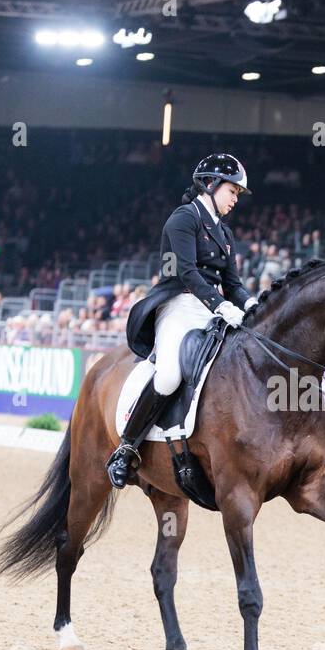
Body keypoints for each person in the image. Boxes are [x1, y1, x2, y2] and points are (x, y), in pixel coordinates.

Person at [105, 153, 257, 489]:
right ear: (210, 184)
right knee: (171, 372)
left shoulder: (226, 234)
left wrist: (251, 303)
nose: (235, 199)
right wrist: (221, 305)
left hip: (212, 309)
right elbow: (187, 273)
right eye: (232, 191)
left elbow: (232, 283)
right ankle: (126, 446)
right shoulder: (183, 219)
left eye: (237, 194)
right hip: (178, 304)